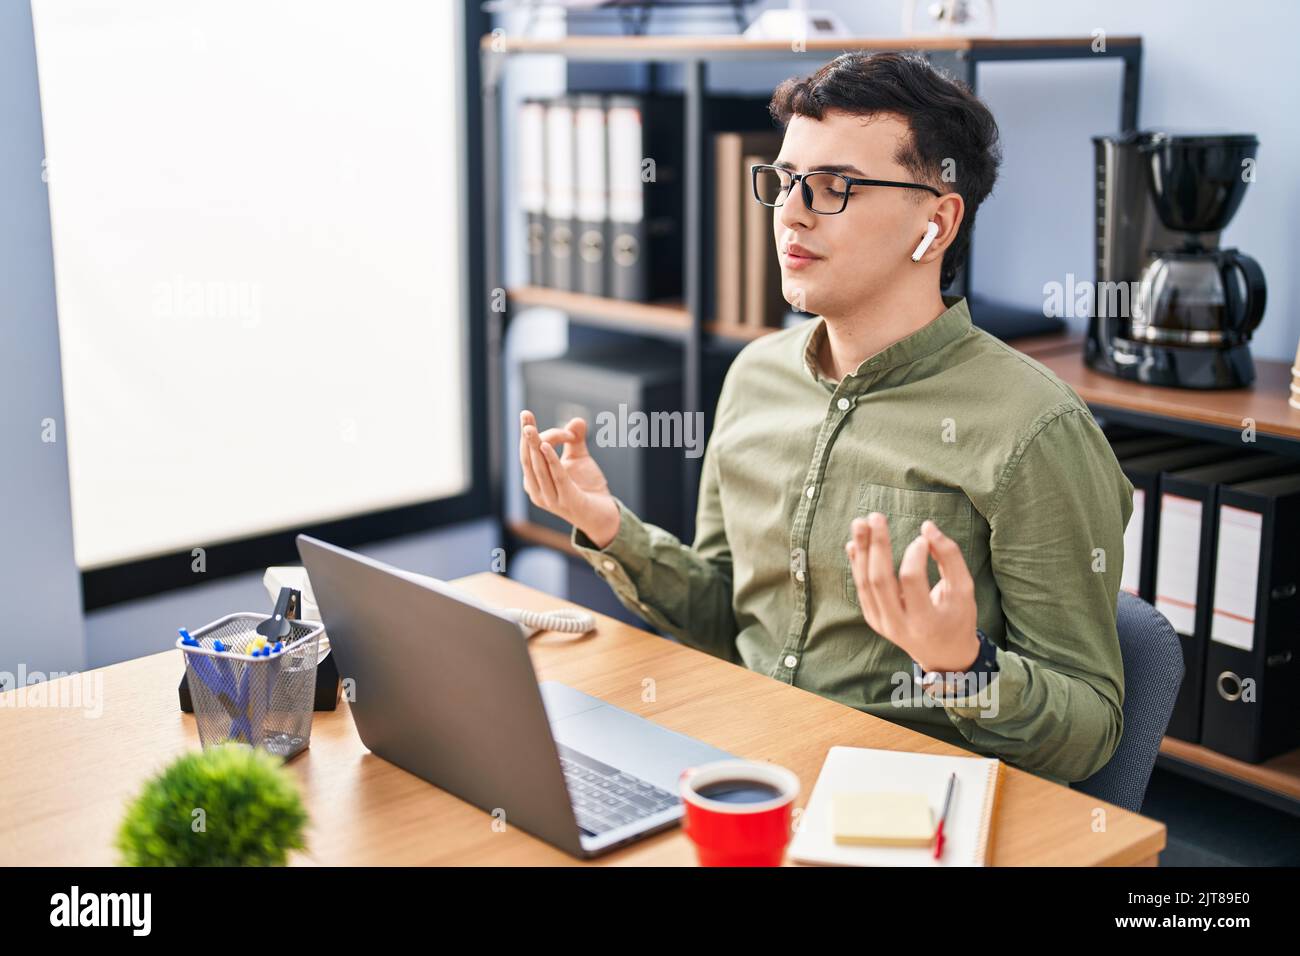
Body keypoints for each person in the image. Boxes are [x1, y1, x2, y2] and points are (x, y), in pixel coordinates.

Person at [518, 51, 1133, 785]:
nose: (793, 211)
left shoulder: (1034, 428)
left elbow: (1091, 726)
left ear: (935, 224)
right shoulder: (755, 375)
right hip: (742, 762)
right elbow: (727, 617)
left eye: (835, 186)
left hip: (894, 802)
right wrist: (610, 525)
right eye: (784, 182)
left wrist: (964, 664)